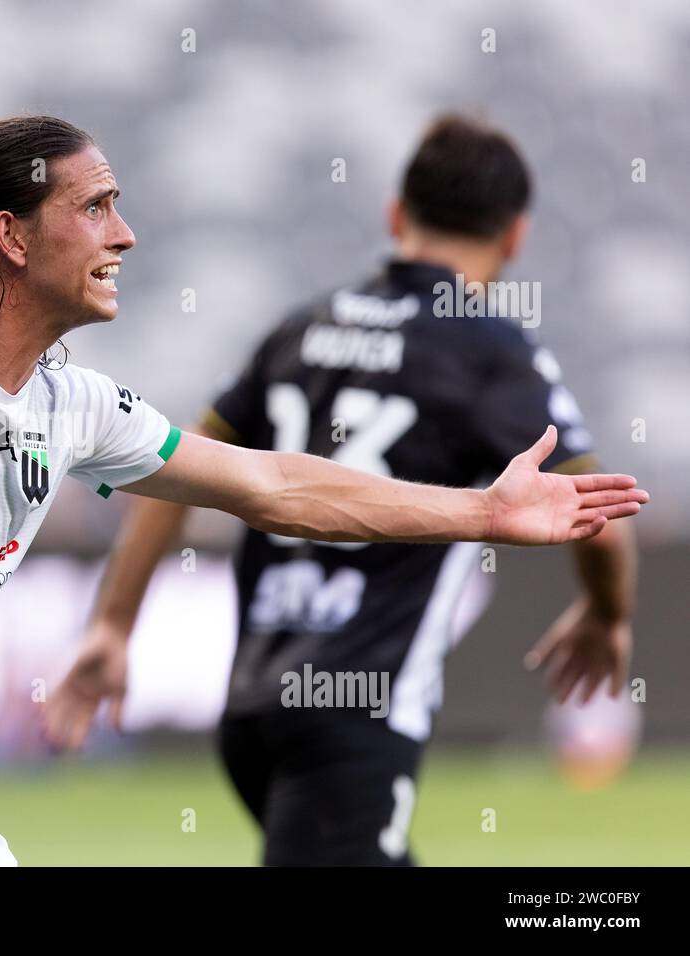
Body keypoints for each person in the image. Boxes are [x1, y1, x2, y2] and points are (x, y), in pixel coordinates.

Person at [0, 115, 645, 867]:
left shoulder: (73, 405)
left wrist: (483, 512)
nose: (125, 233)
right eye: (97, 207)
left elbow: (272, 484)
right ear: (13, 237)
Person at [43, 114, 639, 866]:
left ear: (396, 216)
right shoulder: (493, 350)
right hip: (357, 714)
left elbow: (168, 474)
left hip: (254, 706)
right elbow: (602, 518)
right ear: (515, 236)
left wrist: (112, 625)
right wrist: (607, 615)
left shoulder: (300, 329)